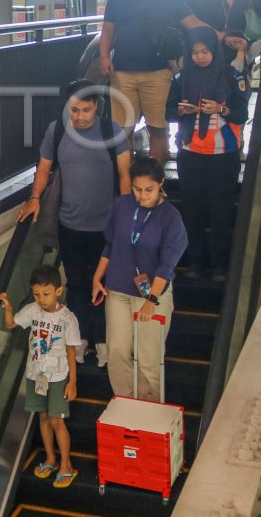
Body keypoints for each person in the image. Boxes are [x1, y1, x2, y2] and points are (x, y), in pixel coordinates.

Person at [18, 80, 131, 367]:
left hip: (105, 226)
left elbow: (125, 174)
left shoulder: (111, 132)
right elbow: (43, 168)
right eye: (74, 110)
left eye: (86, 110)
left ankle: (104, 342)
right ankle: (79, 343)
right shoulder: (57, 130)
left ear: (97, 108)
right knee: (78, 285)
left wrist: (127, 214)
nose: (79, 116)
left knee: (105, 285)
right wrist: (34, 197)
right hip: (70, 226)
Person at [98, 0, 209, 164]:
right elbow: (108, 30)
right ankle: (127, 185)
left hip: (159, 73)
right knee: (123, 131)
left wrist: (222, 36)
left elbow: (193, 22)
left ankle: (156, 183)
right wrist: (104, 56)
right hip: (121, 73)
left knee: (159, 128)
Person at [92, 156, 187, 401]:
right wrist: (97, 277)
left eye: (149, 190)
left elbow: (166, 266)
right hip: (119, 289)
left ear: (161, 184)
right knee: (117, 351)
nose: (142, 195)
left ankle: (150, 408)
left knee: (148, 359)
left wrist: (151, 300)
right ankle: (125, 402)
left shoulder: (170, 217)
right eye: (137, 189)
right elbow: (111, 245)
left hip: (151, 295)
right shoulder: (122, 206)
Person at [167, 27, 249, 281]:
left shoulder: (231, 76)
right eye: (194, 52)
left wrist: (220, 109)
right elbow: (168, 113)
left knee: (221, 211)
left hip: (223, 153)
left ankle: (219, 265)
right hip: (190, 151)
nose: (200, 57)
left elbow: (241, 114)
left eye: (205, 51)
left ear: (214, 50)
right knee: (192, 210)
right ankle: (196, 262)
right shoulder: (181, 79)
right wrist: (182, 111)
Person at [0, 265, 81, 489]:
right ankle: (51, 459)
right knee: (43, 417)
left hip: (58, 377)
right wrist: (8, 307)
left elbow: (72, 351)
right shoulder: (33, 310)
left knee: (56, 420)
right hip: (37, 374)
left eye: (46, 294)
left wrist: (72, 382)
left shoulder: (68, 319)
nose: (41, 299)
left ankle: (66, 464)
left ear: (58, 291)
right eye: (36, 294)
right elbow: (11, 324)